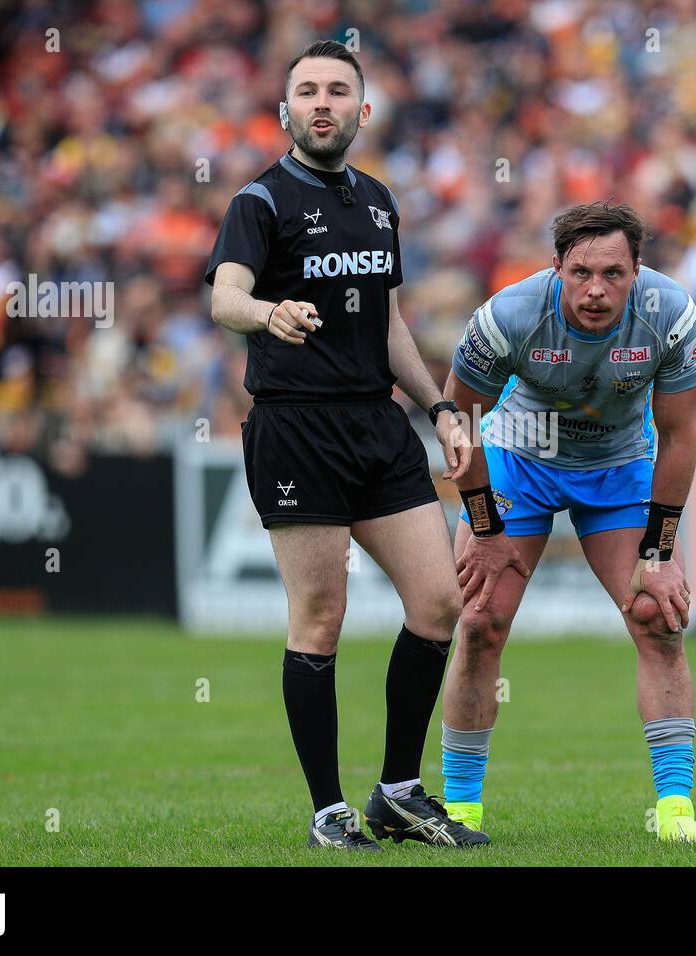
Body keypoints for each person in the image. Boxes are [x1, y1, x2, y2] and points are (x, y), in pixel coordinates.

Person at [206, 40, 487, 850]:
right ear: (285, 110)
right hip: (296, 426)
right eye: (307, 91)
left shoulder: (379, 201)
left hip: (379, 423)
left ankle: (397, 790)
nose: (322, 103)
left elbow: (389, 322)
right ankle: (328, 809)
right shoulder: (259, 201)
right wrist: (269, 314)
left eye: (338, 91)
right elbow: (227, 295)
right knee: (321, 618)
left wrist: (437, 405)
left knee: (439, 604)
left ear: (363, 111)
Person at [440, 201, 696, 843]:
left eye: (614, 273)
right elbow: (457, 419)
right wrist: (483, 526)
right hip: (518, 459)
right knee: (479, 620)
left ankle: (676, 814)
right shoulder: (509, 314)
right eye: (582, 271)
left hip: (617, 466)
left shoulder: (671, 315)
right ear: (556, 266)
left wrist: (660, 548)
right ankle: (459, 812)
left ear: (638, 270)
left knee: (656, 616)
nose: (597, 290)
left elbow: (679, 437)